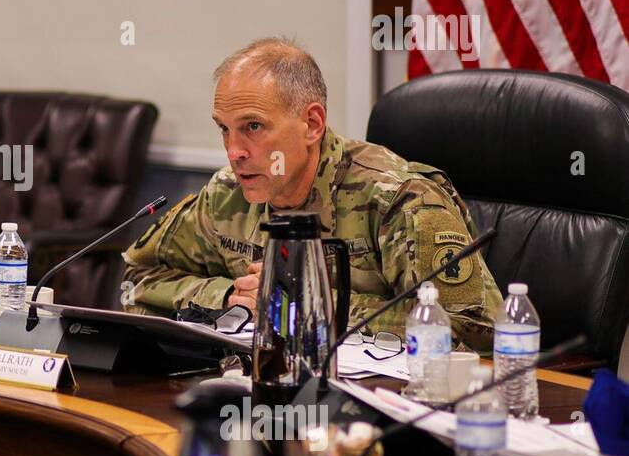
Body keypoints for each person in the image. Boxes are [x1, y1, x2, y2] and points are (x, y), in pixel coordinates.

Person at [121, 37, 502, 353]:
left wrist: (308, 304)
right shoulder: (227, 194)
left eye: (253, 127)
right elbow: (138, 279)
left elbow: (475, 331)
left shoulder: (397, 198)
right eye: (224, 129)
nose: (233, 151)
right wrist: (225, 297)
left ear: (312, 124)